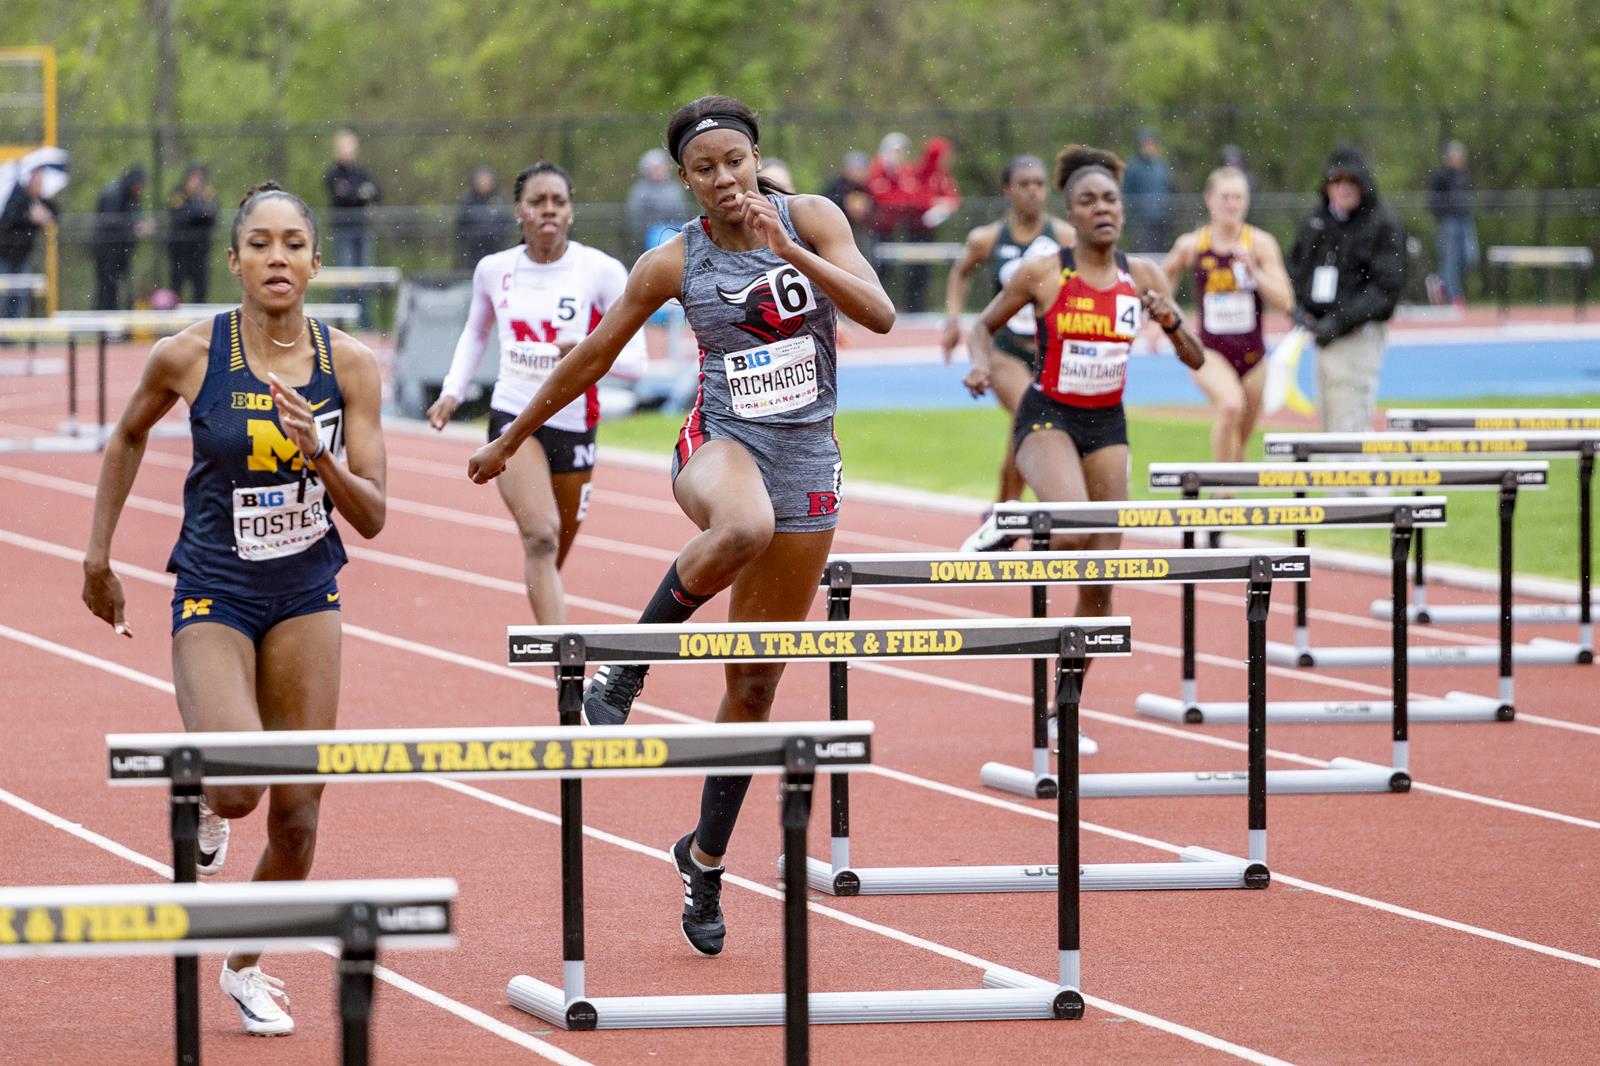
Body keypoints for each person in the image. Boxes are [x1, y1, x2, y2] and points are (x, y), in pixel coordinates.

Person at [467, 95, 893, 958]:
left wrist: (790, 251)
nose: (725, 178)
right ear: (686, 183)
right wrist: (510, 434)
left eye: (735, 160)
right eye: (705, 169)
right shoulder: (673, 262)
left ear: (757, 157)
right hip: (722, 444)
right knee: (742, 526)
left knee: (754, 691)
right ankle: (626, 668)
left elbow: (877, 313)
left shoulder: (813, 217)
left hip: (811, 459)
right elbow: (591, 355)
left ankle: (703, 859)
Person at [81, 182, 387, 1037]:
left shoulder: (350, 365)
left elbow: (374, 513)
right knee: (244, 790)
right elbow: (129, 434)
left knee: (298, 820)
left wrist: (319, 458)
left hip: (305, 592)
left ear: (316, 262)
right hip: (215, 587)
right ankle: (213, 799)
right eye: (260, 243)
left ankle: (246, 964)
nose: (277, 258)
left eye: (294, 243)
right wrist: (97, 555)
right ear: (235, 260)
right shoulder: (188, 354)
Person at [962, 144, 1203, 624]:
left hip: (1108, 424)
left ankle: (1063, 697)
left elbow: (1194, 358)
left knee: (1100, 581)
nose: (1103, 209)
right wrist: (979, 365)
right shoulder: (1045, 273)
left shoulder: (1144, 275)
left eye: (1110, 199)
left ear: (1122, 208)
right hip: (1048, 413)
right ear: (1070, 214)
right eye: (1089, 201)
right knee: (1071, 533)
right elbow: (982, 327)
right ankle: (1011, 519)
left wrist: (1172, 320)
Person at [429, 162, 646, 624]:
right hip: (513, 415)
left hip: (575, 423)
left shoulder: (602, 271)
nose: (548, 209)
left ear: (570, 212)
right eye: (537, 201)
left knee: (552, 555)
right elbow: (475, 333)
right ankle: (566, 676)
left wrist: (585, 351)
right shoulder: (494, 270)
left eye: (558, 201)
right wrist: (453, 391)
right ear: (518, 212)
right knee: (542, 536)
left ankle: (550, 637)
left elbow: (634, 364)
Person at [941, 155, 1075, 504]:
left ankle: (1005, 509)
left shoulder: (1064, 236)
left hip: (1049, 351)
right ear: (1008, 190)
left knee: (1033, 423)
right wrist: (952, 319)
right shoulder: (987, 238)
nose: (1033, 192)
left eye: (1039, 185)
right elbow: (960, 272)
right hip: (1004, 348)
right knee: (1029, 412)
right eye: (1025, 184)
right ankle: (1017, 508)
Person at [1161, 166, 1294, 462]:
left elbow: (1285, 301)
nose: (1232, 205)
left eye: (1238, 198)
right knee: (1230, 406)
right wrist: (1167, 319)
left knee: (1239, 449)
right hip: (1209, 352)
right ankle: (1222, 495)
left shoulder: (1259, 244)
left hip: (1253, 358)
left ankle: (1228, 489)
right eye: (1225, 197)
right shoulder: (1193, 244)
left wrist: (1254, 271)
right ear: (1210, 200)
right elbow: (1163, 276)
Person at [1287, 146, 1406, 433]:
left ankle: (1361, 478)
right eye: (1336, 182)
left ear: (1363, 185)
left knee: (1350, 430)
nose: (1343, 189)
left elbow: (1385, 290)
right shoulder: (1317, 221)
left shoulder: (1383, 223)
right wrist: (1300, 310)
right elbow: (1294, 269)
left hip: (1357, 338)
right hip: (1322, 338)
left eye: (1350, 182)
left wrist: (1339, 320)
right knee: (1330, 428)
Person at [323, 130, 381, 327]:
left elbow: (377, 193)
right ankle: (339, 324)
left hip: (362, 230)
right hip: (343, 231)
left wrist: (357, 194)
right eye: (344, 148)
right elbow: (343, 197)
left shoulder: (362, 172)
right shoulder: (333, 174)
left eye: (351, 147)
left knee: (364, 277)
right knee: (344, 276)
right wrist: (361, 194)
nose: (347, 152)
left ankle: (367, 323)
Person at [902, 137, 961, 313]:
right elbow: (912, 196)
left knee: (925, 270)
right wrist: (932, 203)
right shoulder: (918, 172)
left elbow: (953, 196)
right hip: (913, 230)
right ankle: (910, 304)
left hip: (930, 231)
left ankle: (919, 306)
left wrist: (944, 205)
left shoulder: (942, 176)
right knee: (913, 269)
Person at [0, 156, 62, 318]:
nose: (41, 184)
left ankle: (12, 332)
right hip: (4, 255)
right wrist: (29, 217)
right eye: (38, 180)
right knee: (4, 295)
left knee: (19, 295)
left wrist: (45, 214)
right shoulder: (17, 195)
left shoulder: (39, 199)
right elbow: (8, 220)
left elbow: (56, 214)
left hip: (22, 256)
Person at [866, 131, 919, 304]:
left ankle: (900, 303)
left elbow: (910, 195)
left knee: (894, 267)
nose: (899, 156)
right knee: (876, 266)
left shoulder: (904, 171)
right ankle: (872, 301)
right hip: (875, 228)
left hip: (899, 227)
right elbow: (881, 196)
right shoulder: (876, 170)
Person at [92, 166, 152, 310]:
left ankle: (116, 322)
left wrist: (139, 225)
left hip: (121, 252)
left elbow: (130, 216)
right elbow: (110, 221)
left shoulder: (131, 196)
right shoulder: (113, 193)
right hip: (107, 251)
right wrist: (134, 226)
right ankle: (105, 325)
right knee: (107, 289)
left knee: (120, 288)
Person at [1428, 140, 1476, 306]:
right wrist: (1443, 215)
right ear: (1448, 158)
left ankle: (1441, 282)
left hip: (1465, 221)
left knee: (1470, 258)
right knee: (1450, 260)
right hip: (1448, 222)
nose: (1460, 159)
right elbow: (1433, 201)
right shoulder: (1440, 176)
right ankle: (1454, 296)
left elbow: (1468, 198)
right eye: (1456, 155)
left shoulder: (1464, 177)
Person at [167, 163, 219, 303]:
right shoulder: (178, 193)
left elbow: (212, 215)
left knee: (201, 286)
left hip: (200, 249)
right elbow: (179, 216)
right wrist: (198, 213)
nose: (196, 182)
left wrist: (196, 212)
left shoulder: (208, 194)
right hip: (180, 249)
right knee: (177, 285)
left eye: (200, 178)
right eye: (194, 178)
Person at [625, 147, 689, 252]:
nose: (659, 171)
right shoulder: (641, 190)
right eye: (655, 168)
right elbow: (636, 215)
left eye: (661, 167)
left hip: (677, 227)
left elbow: (682, 210)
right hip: (654, 231)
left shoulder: (674, 187)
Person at [1122, 129, 1172, 253]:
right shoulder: (1133, 167)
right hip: (1141, 220)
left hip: (1161, 218)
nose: (1148, 147)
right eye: (1145, 144)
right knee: (1144, 251)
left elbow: (1168, 188)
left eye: (1151, 144)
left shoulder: (1161, 165)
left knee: (1160, 251)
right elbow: (1127, 191)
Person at [454, 164, 508, 270]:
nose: (484, 183)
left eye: (487, 179)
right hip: (473, 252)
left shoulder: (500, 199)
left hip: (495, 249)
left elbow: (507, 224)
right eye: (481, 179)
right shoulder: (467, 200)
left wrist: (494, 234)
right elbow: (460, 226)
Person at [823, 150, 874, 252]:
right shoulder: (836, 185)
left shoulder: (867, 186)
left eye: (861, 169)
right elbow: (825, 202)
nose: (857, 173)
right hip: (836, 230)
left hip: (863, 232)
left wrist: (867, 206)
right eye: (855, 169)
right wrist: (845, 203)